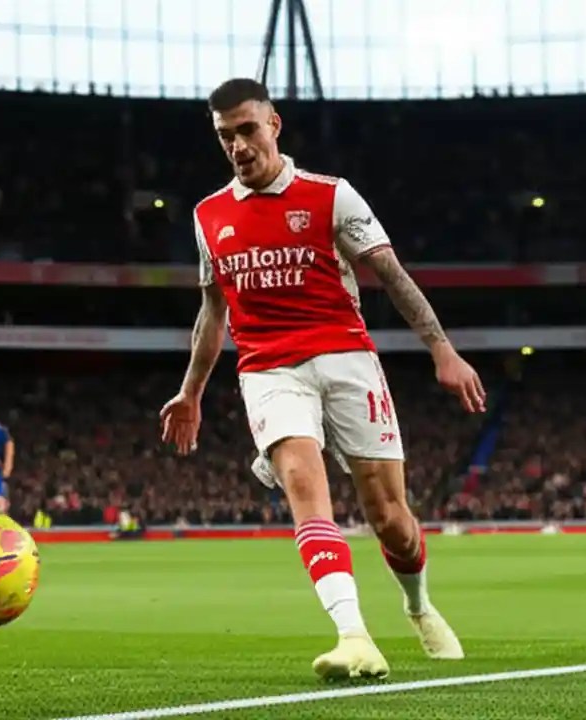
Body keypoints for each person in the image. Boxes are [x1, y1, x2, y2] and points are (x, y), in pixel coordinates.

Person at [159, 78, 485, 680]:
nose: (238, 145)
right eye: (225, 136)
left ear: (274, 125)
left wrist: (443, 350)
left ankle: (418, 605)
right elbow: (213, 309)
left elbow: (391, 273)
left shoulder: (331, 196)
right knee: (305, 485)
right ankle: (353, 635)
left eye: (247, 130)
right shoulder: (209, 216)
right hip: (268, 369)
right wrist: (192, 390)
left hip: (346, 360)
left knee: (391, 518)